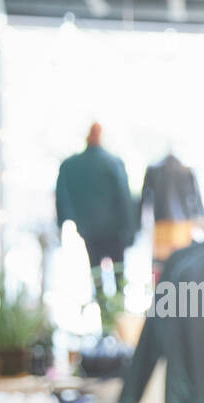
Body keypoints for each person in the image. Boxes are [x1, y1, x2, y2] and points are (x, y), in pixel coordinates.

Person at [55, 123, 136, 304]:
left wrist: (62, 222)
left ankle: (105, 319)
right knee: (118, 277)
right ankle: (117, 321)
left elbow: (61, 195)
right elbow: (124, 198)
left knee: (97, 278)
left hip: (88, 231)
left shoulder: (70, 165)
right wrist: (130, 230)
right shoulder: (112, 163)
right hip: (114, 232)